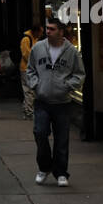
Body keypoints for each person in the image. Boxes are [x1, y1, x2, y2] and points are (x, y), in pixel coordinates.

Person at [25, 16, 85, 186]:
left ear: (60, 31)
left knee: (61, 139)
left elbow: (80, 74)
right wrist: (36, 85)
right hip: (42, 100)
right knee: (40, 133)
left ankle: (61, 172)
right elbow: (30, 70)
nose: (48, 32)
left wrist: (67, 86)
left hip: (62, 102)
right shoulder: (38, 48)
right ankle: (44, 167)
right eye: (47, 28)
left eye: (52, 29)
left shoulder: (71, 51)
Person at [19, 20, 45, 119]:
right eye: (40, 32)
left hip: (29, 68)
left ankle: (27, 111)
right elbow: (26, 54)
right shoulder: (26, 39)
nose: (41, 34)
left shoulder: (34, 38)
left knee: (29, 91)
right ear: (35, 31)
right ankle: (28, 112)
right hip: (26, 69)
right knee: (29, 91)